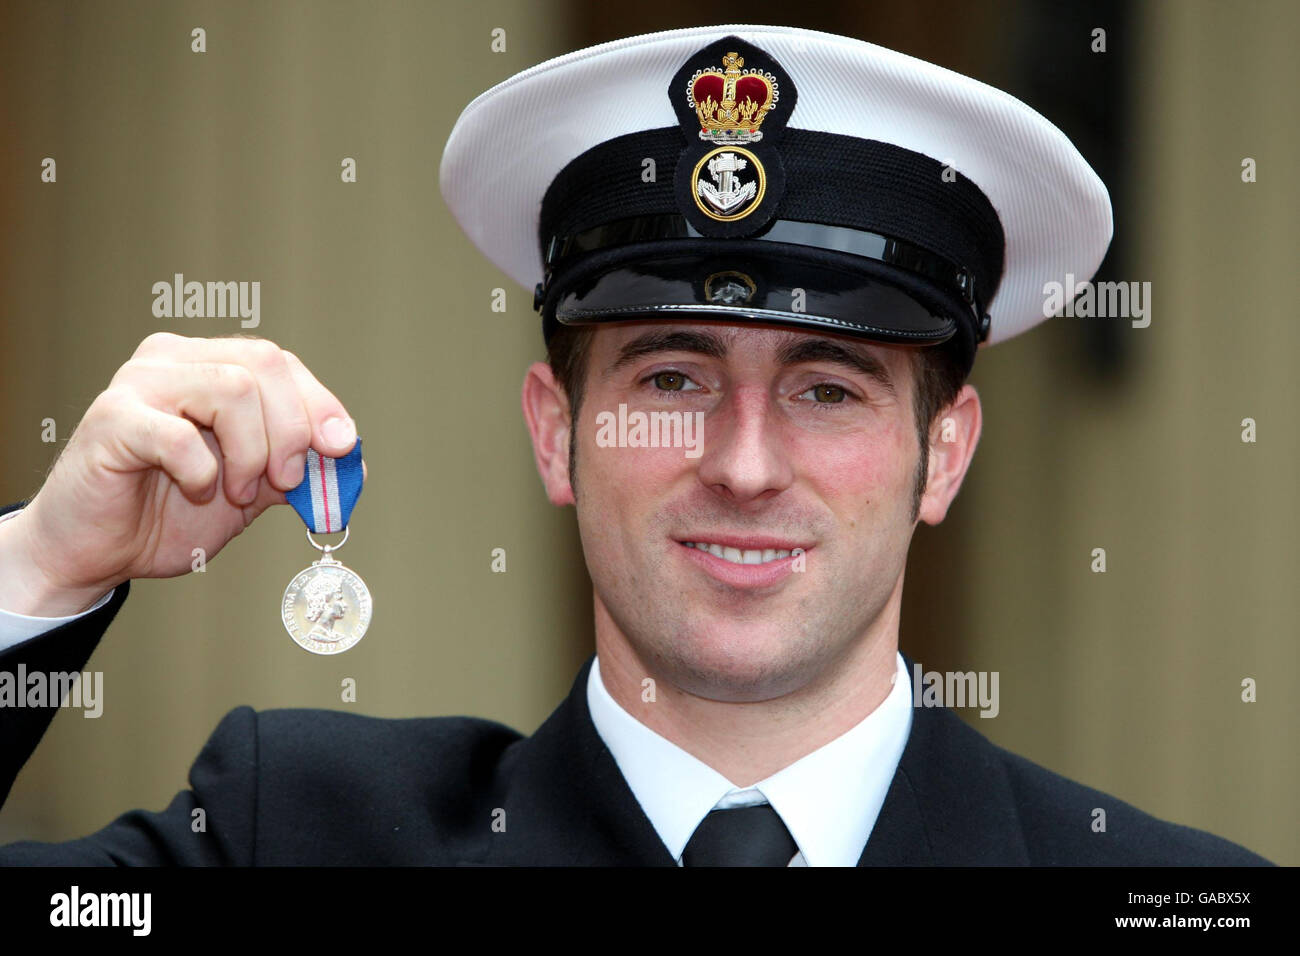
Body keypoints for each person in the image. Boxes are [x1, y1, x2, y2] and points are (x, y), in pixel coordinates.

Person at [0, 24, 1271, 866]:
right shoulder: (298, 832)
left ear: (946, 453)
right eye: (671, 375)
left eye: (830, 390)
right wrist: (41, 574)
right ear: (556, 437)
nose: (744, 462)